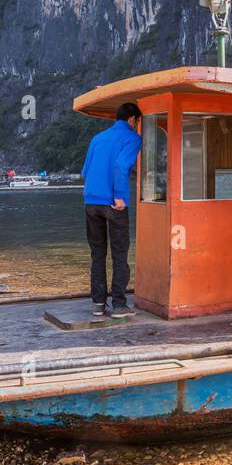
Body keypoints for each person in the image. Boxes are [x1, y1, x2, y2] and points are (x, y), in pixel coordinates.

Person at [81, 102, 142, 316]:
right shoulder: (133, 138)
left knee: (97, 254)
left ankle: (98, 304)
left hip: (91, 202)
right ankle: (119, 305)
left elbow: (85, 171)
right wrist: (119, 196)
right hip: (113, 203)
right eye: (137, 121)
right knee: (119, 253)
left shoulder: (97, 139)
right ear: (133, 119)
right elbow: (120, 166)